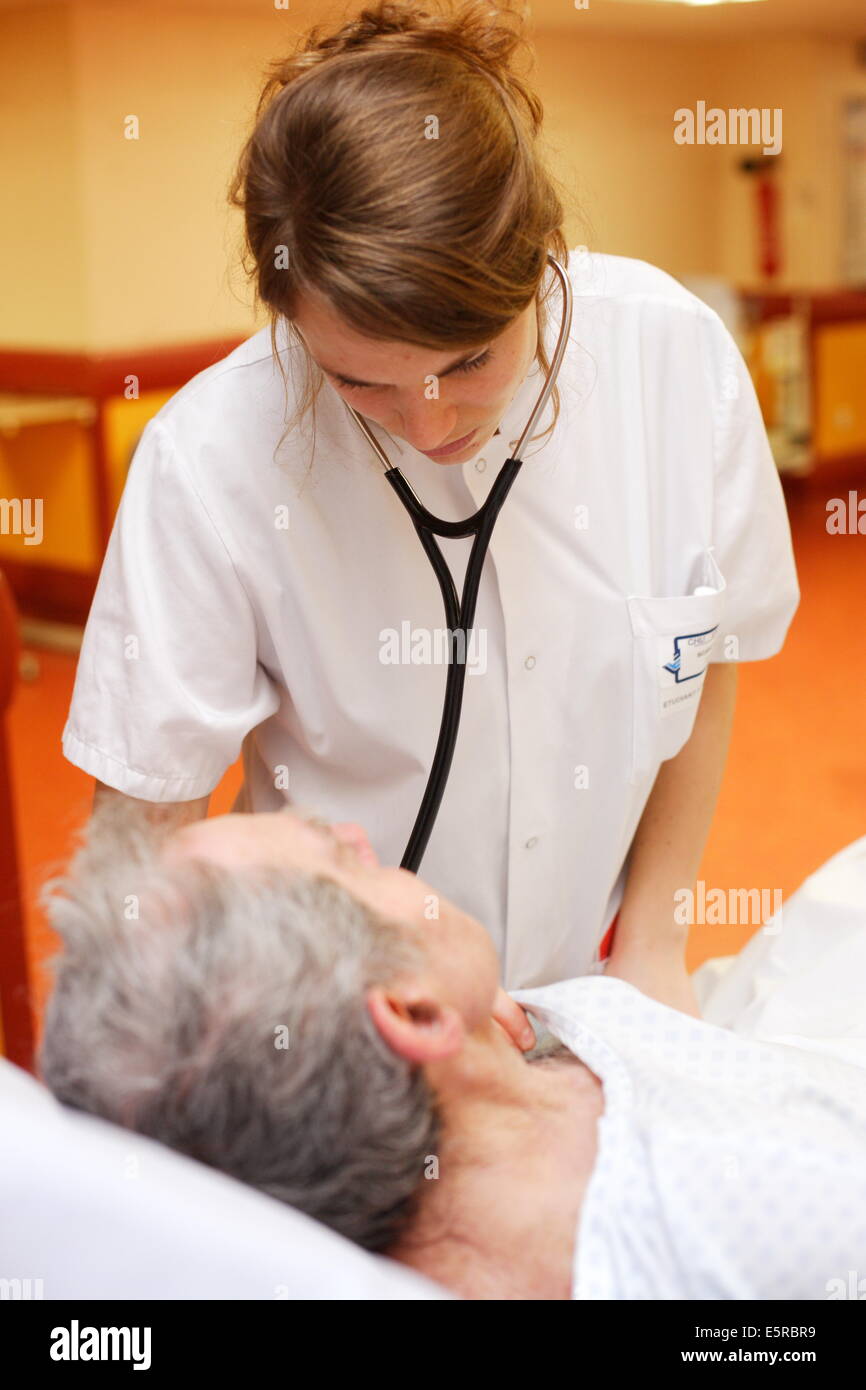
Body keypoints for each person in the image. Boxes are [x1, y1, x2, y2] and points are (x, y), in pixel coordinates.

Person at [61, 0, 799, 1010]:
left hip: (594, 989)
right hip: (326, 1012)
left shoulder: (673, 359)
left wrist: (652, 946)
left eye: (472, 361)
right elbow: (147, 826)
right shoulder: (208, 460)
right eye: (360, 382)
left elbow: (705, 658)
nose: (428, 420)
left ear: (543, 254)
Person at [39, 799, 866, 1301]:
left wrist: (477, 1030)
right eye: (344, 860)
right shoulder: (779, 1211)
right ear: (410, 1012)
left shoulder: (414, 1142)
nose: (359, 833)